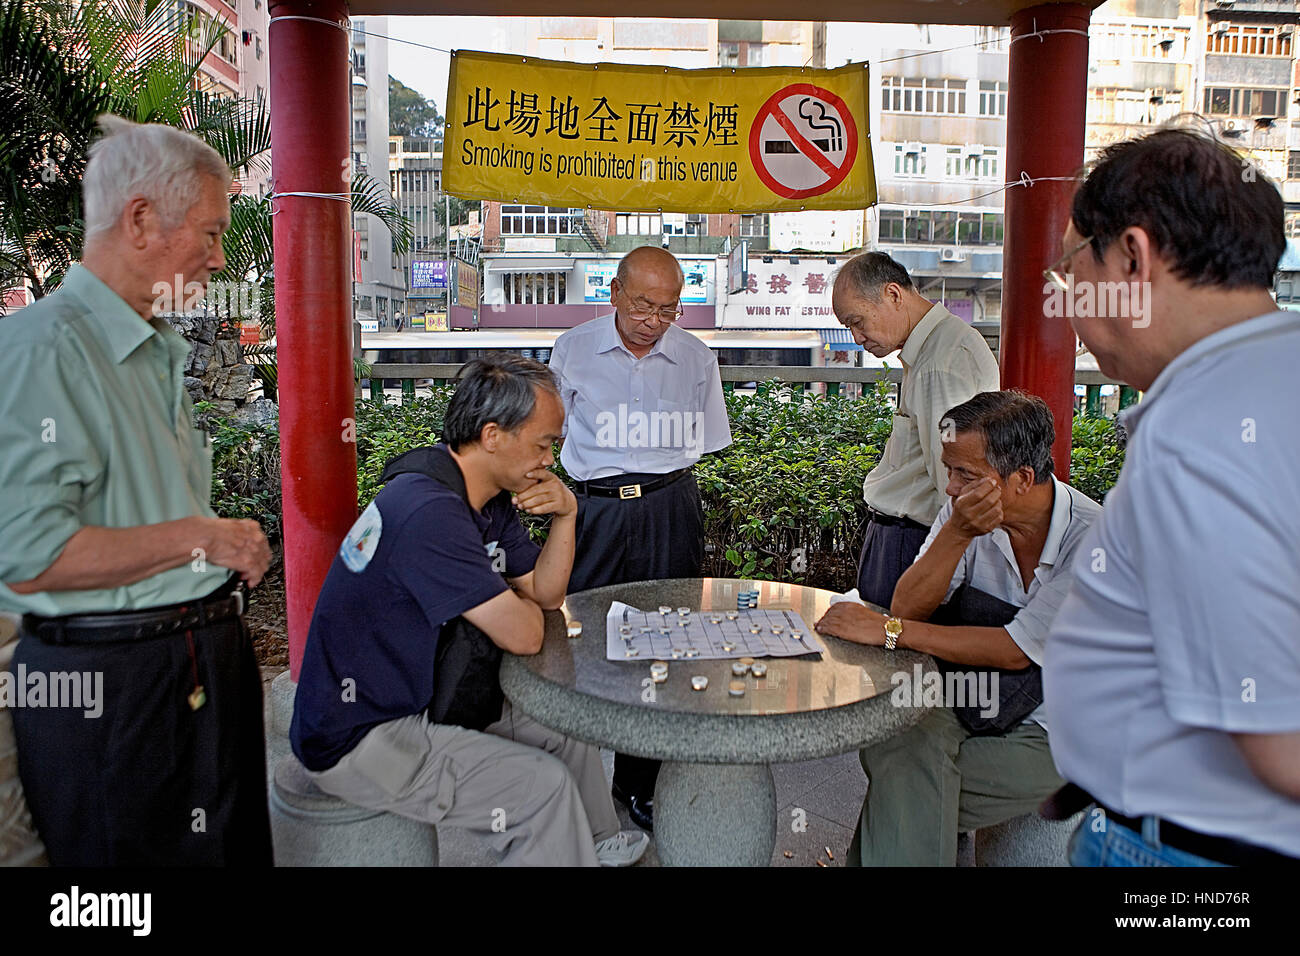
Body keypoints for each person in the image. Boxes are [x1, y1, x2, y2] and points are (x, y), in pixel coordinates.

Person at [0, 116, 273, 865]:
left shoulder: (154, 347)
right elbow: (31, 557)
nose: (220, 259)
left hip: (196, 659)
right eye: (211, 234)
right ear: (142, 218)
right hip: (108, 685)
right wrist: (207, 537)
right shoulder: (40, 351)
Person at [1043, 128, 1300, 865]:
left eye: (1069, 272)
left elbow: (1278, 742)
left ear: (1132, 255)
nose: (1067, 306)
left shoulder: (1203, 432)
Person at [290, 355, 649, 866]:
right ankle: (557, 844)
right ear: (493, 435)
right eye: (544, 443)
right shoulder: (428, 511)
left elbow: (545, 597)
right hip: (365, 735)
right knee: (541, 790)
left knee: (558, 724)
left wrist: (567, 513)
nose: (551, 459)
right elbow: (525, 635)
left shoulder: (487, 497)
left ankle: (589, 845)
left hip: (432, 693)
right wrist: (510, 597)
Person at [816, 391, 1100, 865]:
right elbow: (909, 607)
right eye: (950, 471)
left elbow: (1016, 651)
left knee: (905, 788)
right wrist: (956, 535)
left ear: (1021, 480)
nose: (949, 488)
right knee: (898, 739)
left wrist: (888, 631)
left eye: (964, 474)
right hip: (972, 695)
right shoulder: (962, 513)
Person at [548, 246, 732, 831]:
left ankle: (639, 783)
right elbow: (548, 430)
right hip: (593, 511)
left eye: (670, 309)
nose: (655, 319)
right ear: (616, 295)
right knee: (577, 639)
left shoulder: (697, 359)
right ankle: (566, 781)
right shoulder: (572, 349)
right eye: (645, 304)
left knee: (666, 646)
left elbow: (706, 438)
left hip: (668, 508)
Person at [833, 253, 999, 609]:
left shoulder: (941, 363)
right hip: (905, 538)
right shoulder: (934, 349)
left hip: (912, 542)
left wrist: (940, 564)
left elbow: (952, 482)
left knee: (892, 653)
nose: (856, 336)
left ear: (893, 294)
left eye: (857, 321)